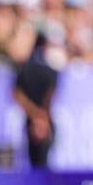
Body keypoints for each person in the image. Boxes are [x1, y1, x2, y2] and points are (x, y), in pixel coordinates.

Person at [12, 31, 59, 169]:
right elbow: (50, 97)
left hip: (32, 119)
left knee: (35, 161)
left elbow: (17, 95)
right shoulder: (51, 70)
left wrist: (34, 114)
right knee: (42, 161)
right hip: (43, 119)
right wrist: (42, 117)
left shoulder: (24, 69)